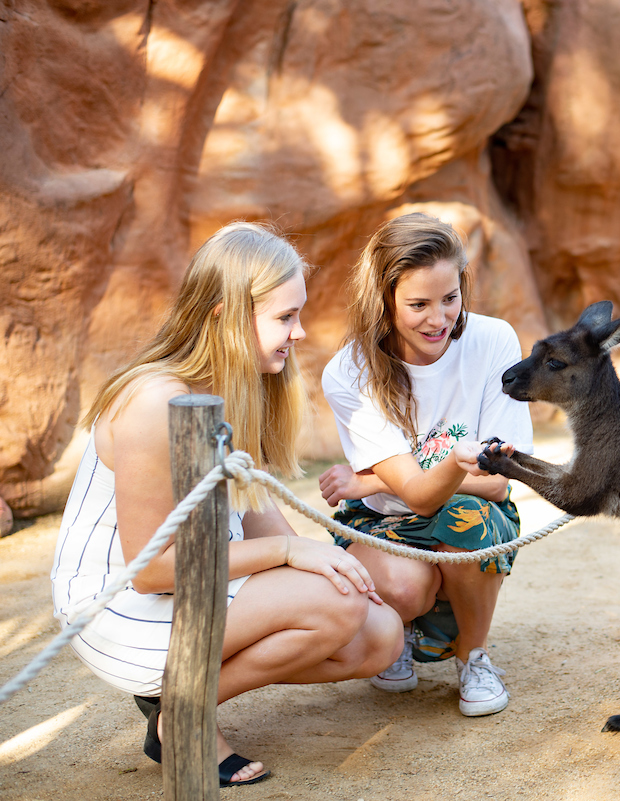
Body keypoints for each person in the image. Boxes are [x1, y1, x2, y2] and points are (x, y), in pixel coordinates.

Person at [50, 222, 404, 787]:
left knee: (380, 631)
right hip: (120, 608)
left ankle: (179, 703)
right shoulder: (154, 402)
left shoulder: (239, 386)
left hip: (199, 581)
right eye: (284, 317)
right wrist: (290, 553)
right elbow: (152, 570)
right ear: (226, 314)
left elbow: (259, 512)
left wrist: (317, 557)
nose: (301, 331)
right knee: (333, 607)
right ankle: (183, 714)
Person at [318, 212, 532, 717]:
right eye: (418, 304)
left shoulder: (494, 341)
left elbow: (501, 484)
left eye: (450, 298)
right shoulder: (349, 371)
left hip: (467, 520)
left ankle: (473, 655)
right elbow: (413, 496)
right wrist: (460, 465)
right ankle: (405, 632)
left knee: (466, 515)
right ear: (384, 301)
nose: (439, 320)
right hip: (384, 520)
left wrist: (367, 480)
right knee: (407, 587)